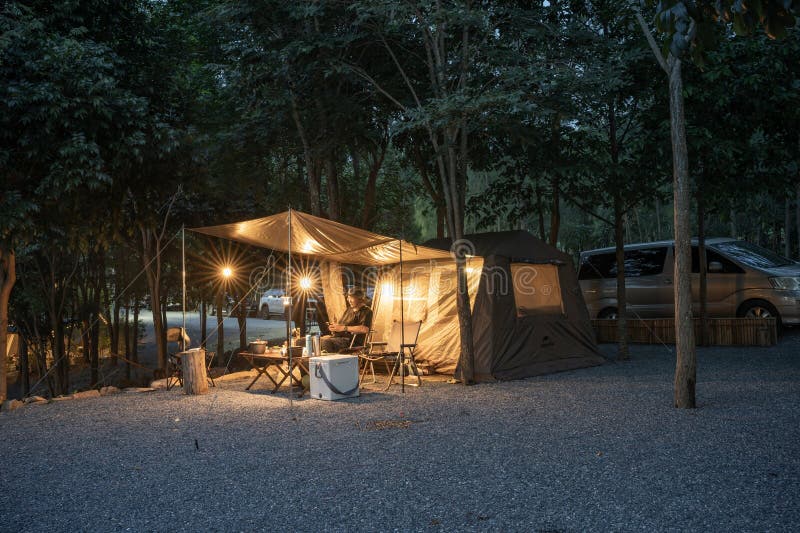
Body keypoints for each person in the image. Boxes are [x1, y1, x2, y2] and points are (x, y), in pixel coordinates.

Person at [320, 287, 372, 353]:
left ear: (360, 299)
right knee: (309, 340)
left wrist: (343, 328)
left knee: (326, 342)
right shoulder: (349, 310)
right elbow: (341, 326)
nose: (348, 300)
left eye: (351, 298)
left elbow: (365, 329)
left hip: (352, 341)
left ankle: (330, 363)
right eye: (348, 297)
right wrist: (335, 328)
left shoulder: (366, 311)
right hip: (339, 338)